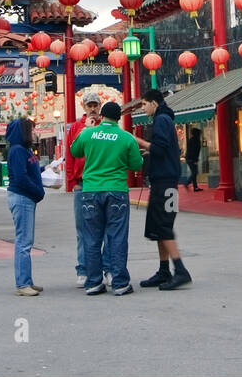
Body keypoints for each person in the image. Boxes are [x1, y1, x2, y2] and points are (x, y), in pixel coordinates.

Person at [70, 101, 144, 295]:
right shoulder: (125, 137)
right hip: (117, 191)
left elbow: (74, 151)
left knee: (91, 237)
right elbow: (136, 165)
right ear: (119, 118)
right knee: (117, 237)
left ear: (101, 116)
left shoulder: (88, 134)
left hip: (91, 191)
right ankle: (119, 283)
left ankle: (93, 282)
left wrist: (85, 128)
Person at [134, 89, 192, 290]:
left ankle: (180, 270)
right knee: (159, 226)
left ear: (154, 103)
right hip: (166, 181)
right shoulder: (164, 119)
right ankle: (164, 270)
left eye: (144, 104)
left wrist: (139, 142)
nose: (143, 108)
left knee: (164, 225)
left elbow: (159, 148)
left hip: (165, 182)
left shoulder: (162, 120)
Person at [65, 92, 104, 287]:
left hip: (101, 182)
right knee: (83, 229)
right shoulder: (76, 128)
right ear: (84, 106)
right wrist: (71, 181)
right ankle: (83, 269)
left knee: (103, 229)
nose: (92, 108)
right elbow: (70, 154)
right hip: (82, 182)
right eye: (89, 105)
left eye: (95, 105)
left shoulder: (105, 126)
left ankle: (104, 268)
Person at [5, 118, 44, 296]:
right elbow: (21, 178)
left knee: (26, 240)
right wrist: (38, 191)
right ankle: (22, 284)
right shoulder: (18, 151)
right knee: (24, 241)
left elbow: (28, 173)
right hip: (22, 198)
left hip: (26, 198)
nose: (35, 133)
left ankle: (26, 280)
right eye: (32, 129)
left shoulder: (22, 150)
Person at [184, 127, 203, 191]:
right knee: (195, 172)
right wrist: (195, 159)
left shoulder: (192, 140)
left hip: (190, 158)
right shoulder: (195, 140)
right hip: (191, 158)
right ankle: (187, 183)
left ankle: (195, 187)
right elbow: (194, 151)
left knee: (194, 172)